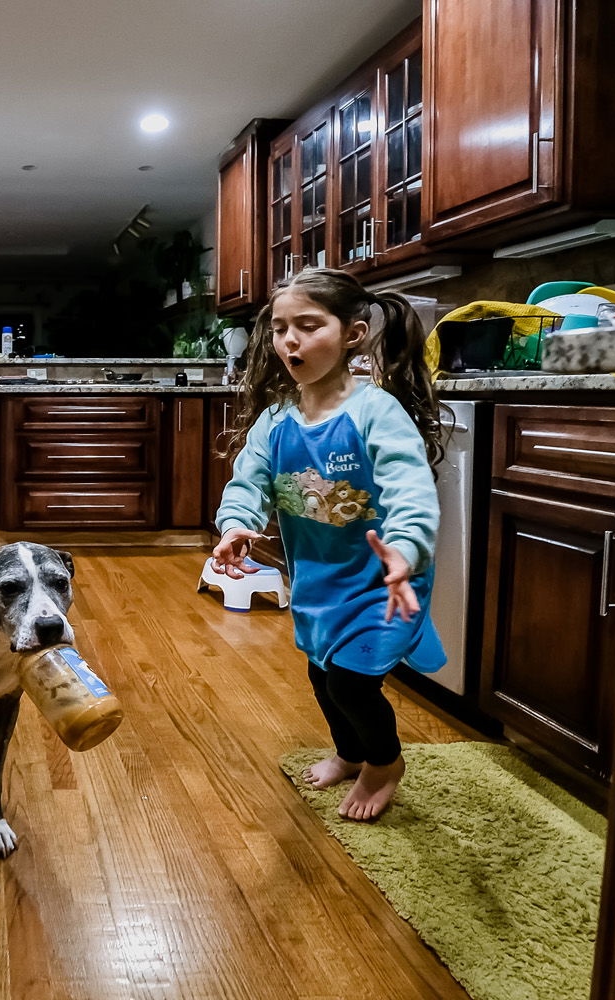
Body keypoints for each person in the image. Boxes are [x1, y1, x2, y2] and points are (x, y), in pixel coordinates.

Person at [212, 267, 447, 821]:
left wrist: (407, 548)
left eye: (308, 326)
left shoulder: (375, 412)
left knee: (350, 680)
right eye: (279, 328)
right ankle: (349, 751)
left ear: (353, 335)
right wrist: (237, 525)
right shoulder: (275, 422)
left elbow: (410, 487)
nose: (288, 340)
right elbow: (248, 482)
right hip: (319, 583)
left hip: (382, 581)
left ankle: (384, 763)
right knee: (322, 674)